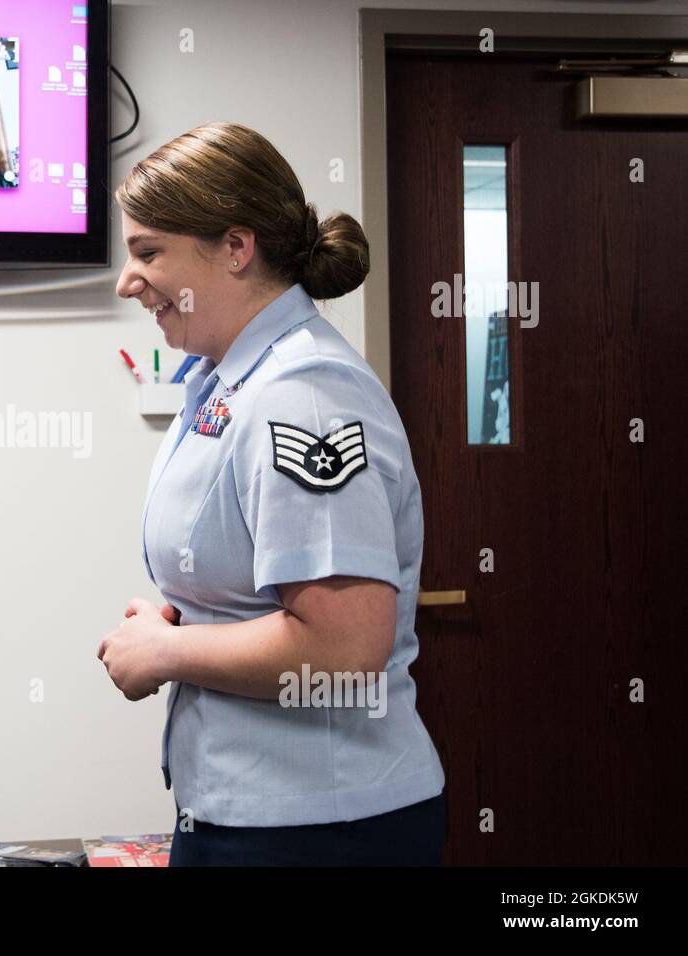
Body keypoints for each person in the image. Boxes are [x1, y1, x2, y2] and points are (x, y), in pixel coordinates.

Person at [97, 122, 447, 866]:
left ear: (235, 246)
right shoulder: (230, 380)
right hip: (253, 816)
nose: (128, 281)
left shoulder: (305, 396)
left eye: (148, 251)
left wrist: (166, 650)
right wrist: (181, 618)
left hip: (321, 830)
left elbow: (343, 647)